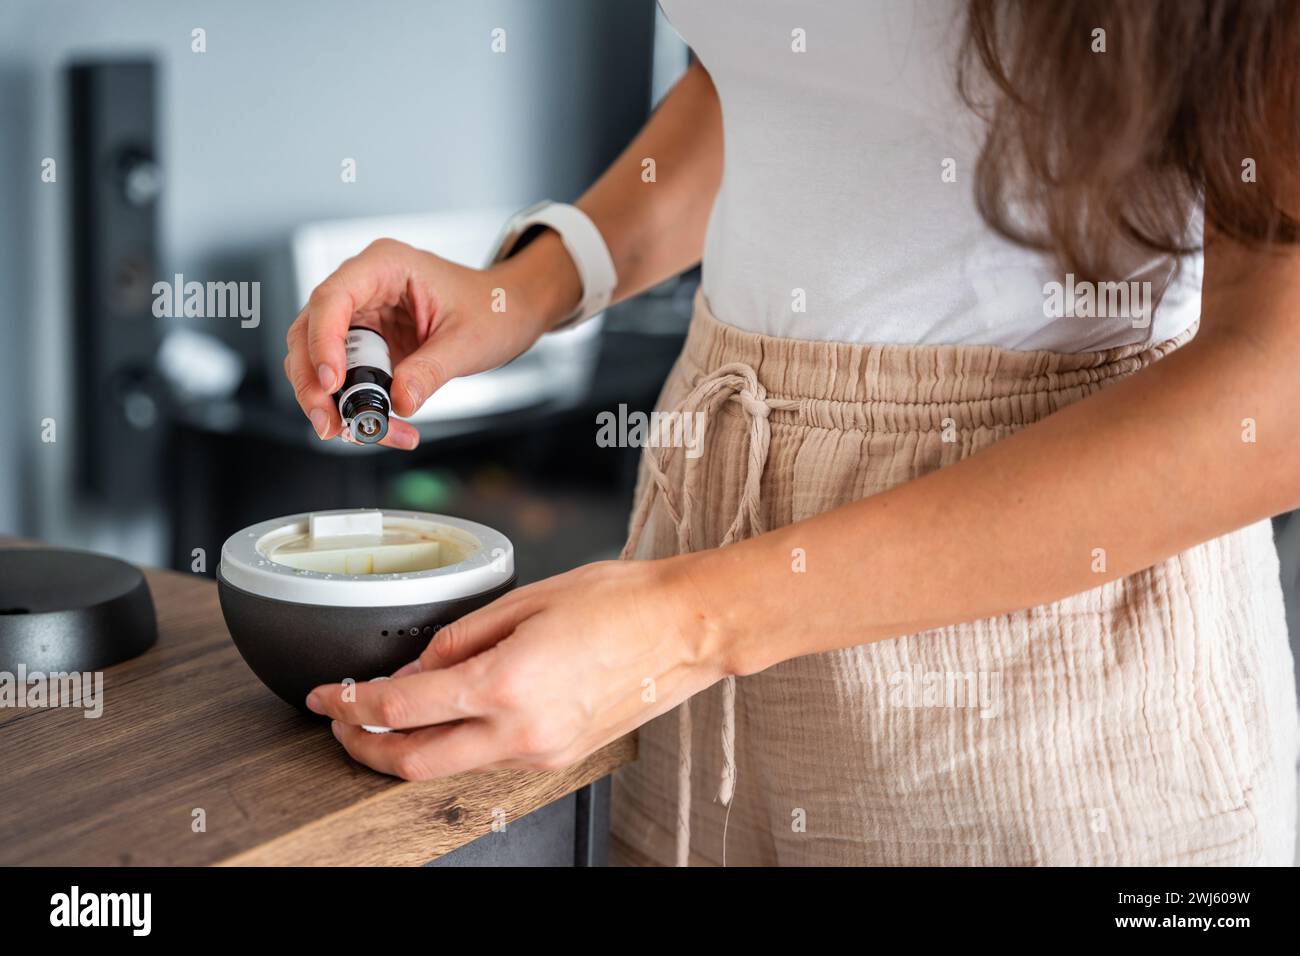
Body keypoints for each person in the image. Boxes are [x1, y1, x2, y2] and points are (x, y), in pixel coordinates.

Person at [287, 1, 1300, 865]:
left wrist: (688, 624)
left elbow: (1277, 394)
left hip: (1045, 653)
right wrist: (535, 282)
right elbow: (778, 61)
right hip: (706, 548)